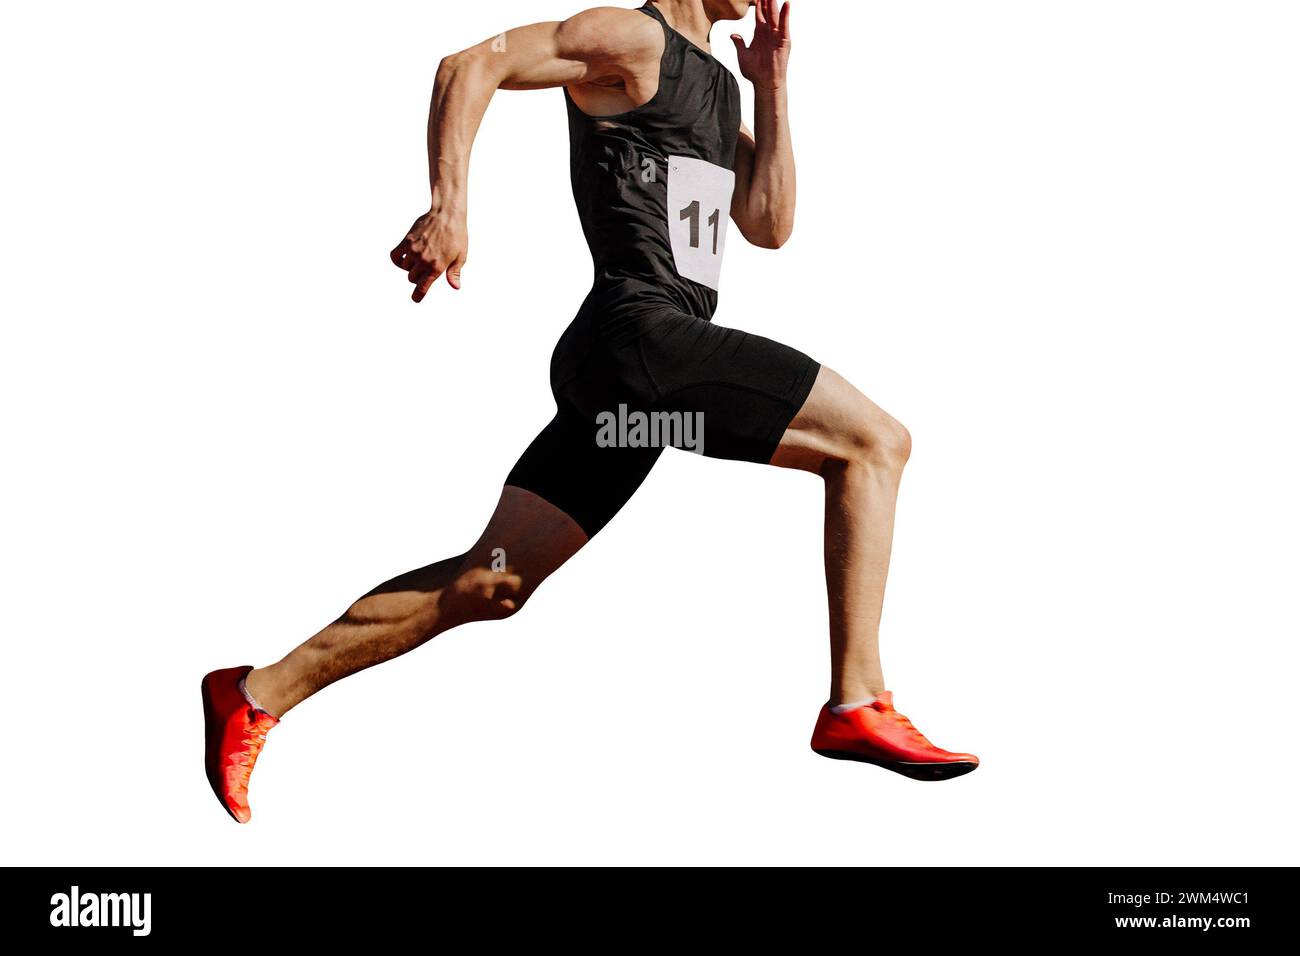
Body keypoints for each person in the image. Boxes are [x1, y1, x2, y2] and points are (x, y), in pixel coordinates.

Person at [202, 0, 978, 825]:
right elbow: (470, 64)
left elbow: (769, 224)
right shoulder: (631, 38)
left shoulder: (716, 88)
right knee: (872, 444)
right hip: (638, 338)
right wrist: (451, 204)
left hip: (627, 391)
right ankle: (856, 700)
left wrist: (773, 87)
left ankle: (253, 694)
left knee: (490, 581)